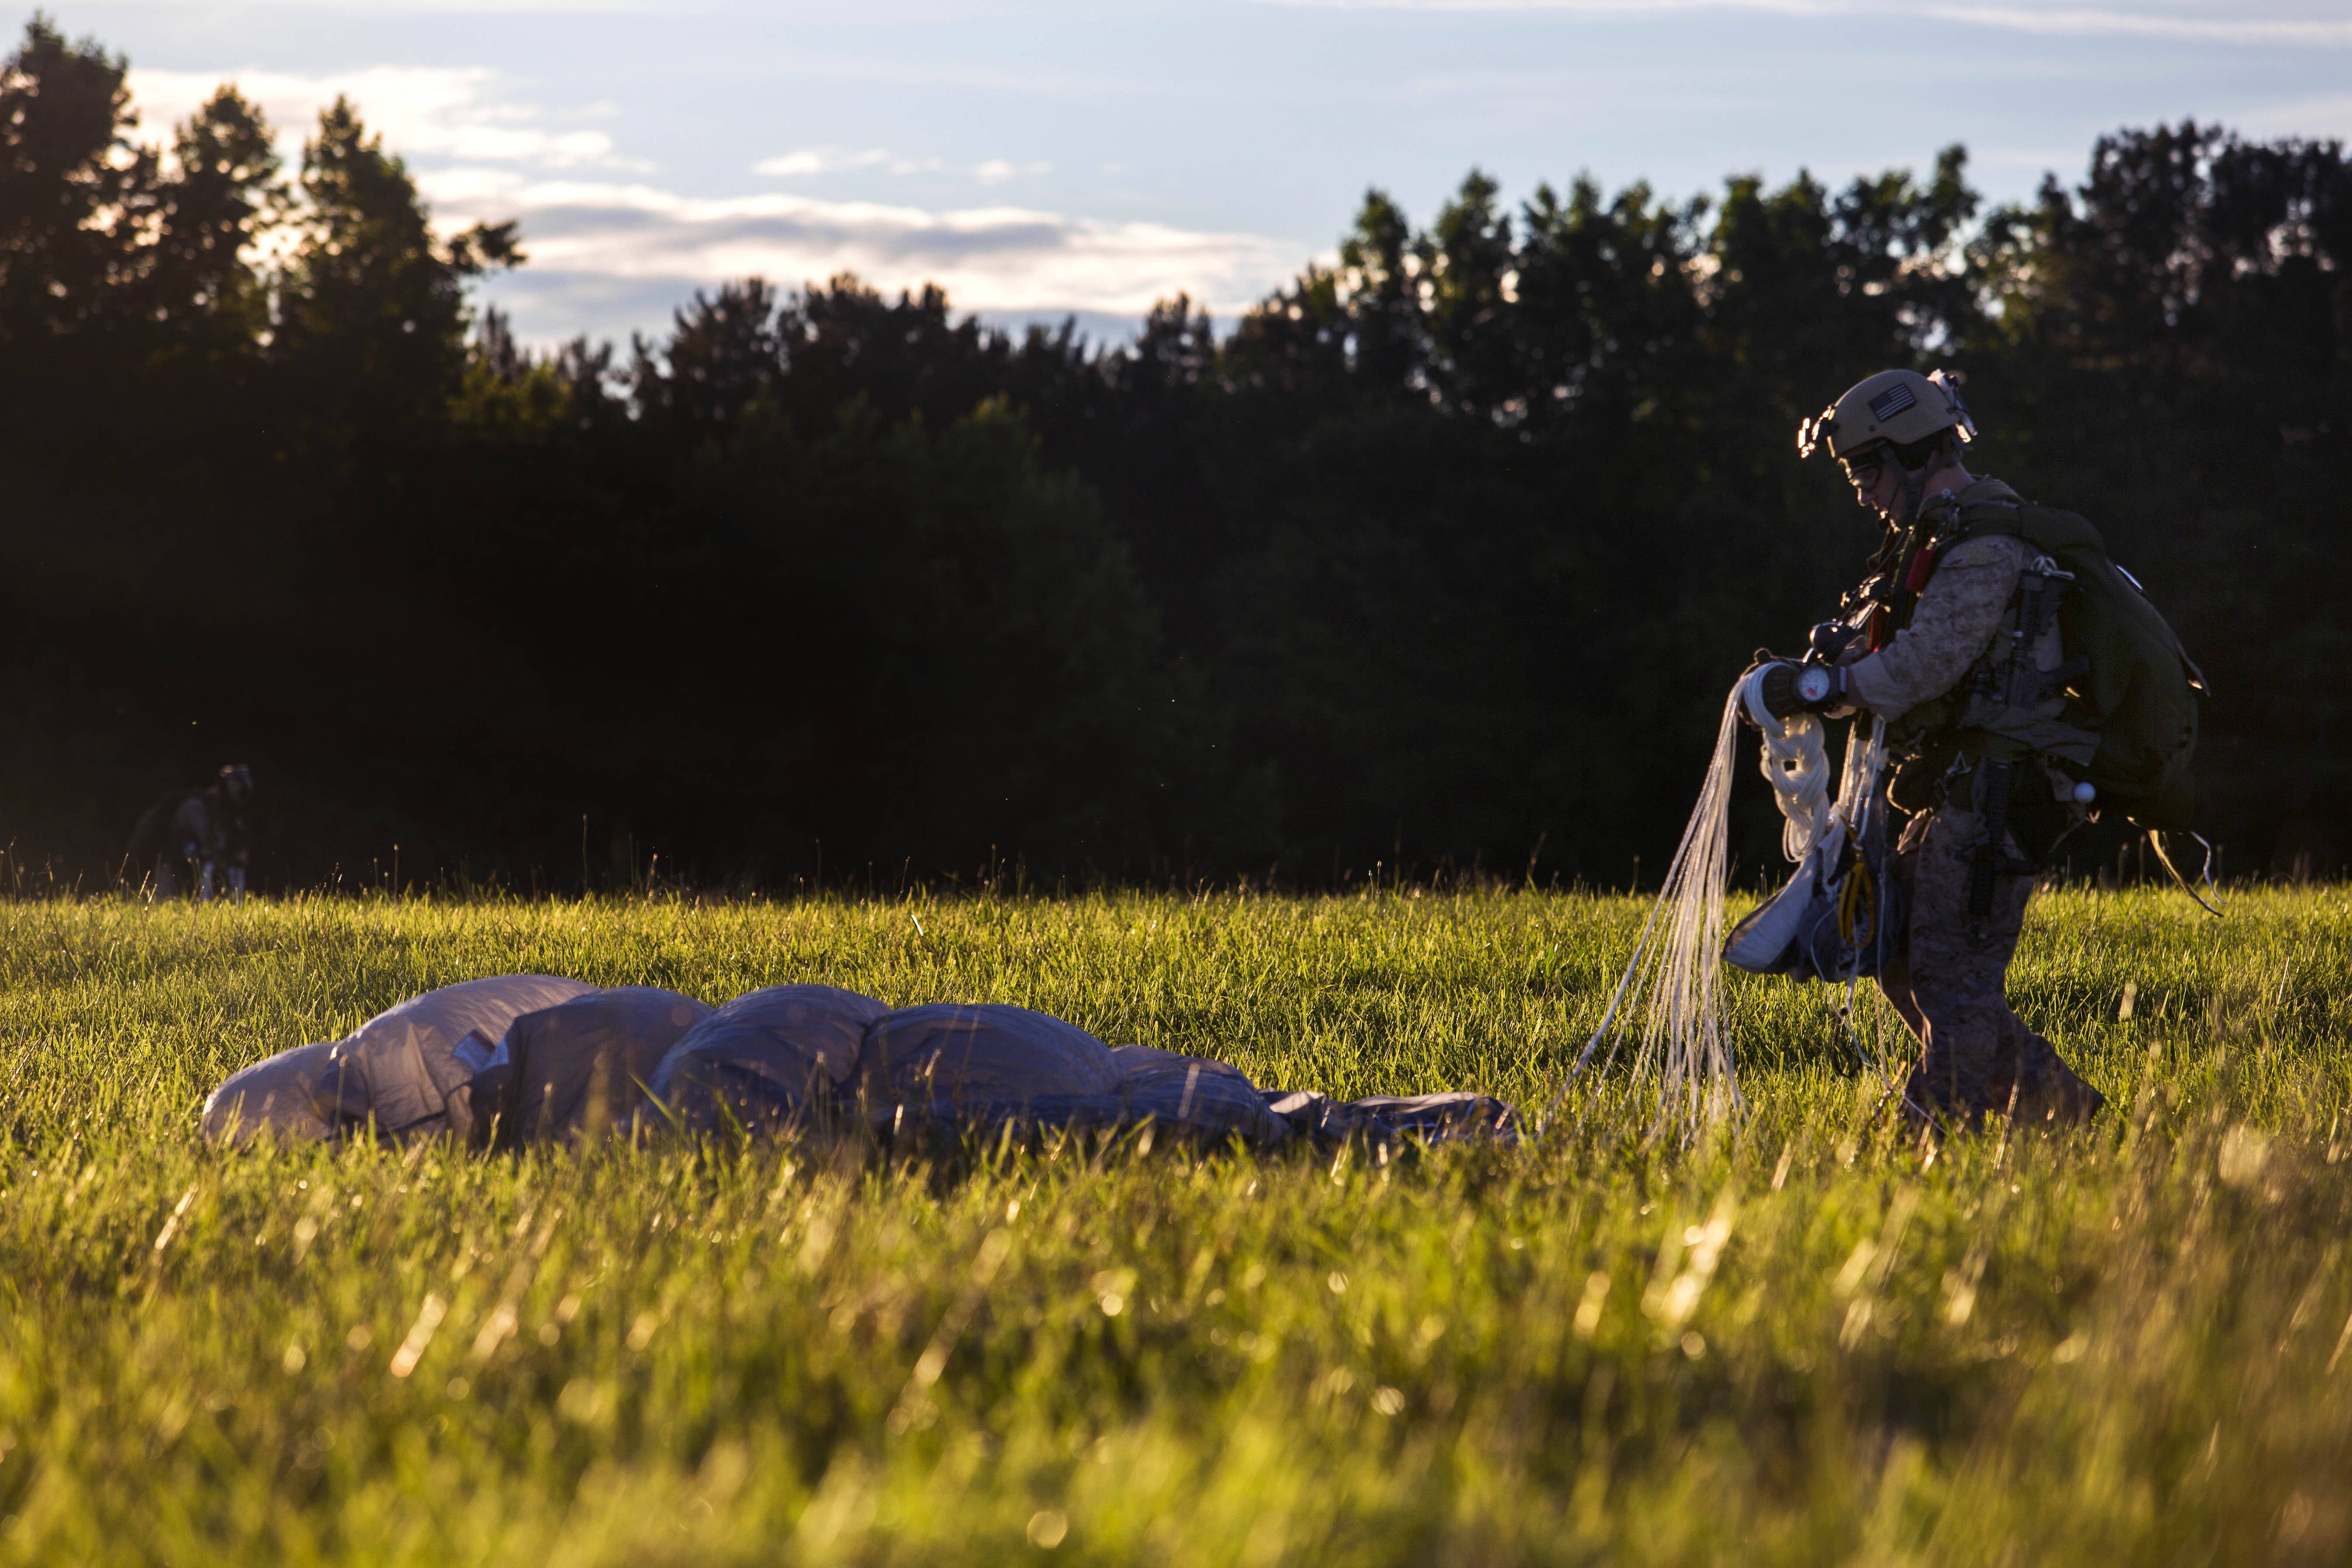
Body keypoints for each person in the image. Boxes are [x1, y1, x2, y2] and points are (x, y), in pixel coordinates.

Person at [1756, 369, 2104, 1129]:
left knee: (1955, 991)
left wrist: (1821, 692)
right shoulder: (1940, 538)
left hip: (1995, 801)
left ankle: (1920, 1158)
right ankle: (2075, 1125)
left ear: (1914, 454)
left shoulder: (1985, 544)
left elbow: (1920, 667)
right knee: (1904, 963)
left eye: (1866, 470)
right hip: (1954, 794)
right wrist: (1816, 669)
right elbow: (1892, 642)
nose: (1860, 491)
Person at [127, 764, 254, 901]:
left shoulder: (224, 814)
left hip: (183, 865)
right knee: (165, 906)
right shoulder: (197, 807)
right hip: (166, 862)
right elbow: (211, 848)